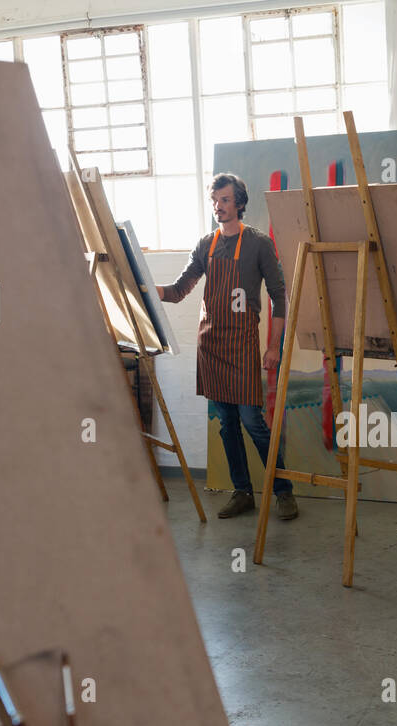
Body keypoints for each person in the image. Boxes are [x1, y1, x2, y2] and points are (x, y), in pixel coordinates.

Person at [158, 173, 298, 521]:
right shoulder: (205, 244)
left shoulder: (259, 243)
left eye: (224, 200)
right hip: (211, 346)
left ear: (238, 203)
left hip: (242, 345)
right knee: (227, 424)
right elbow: (178, 290)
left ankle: (283, 491)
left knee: (253, 422)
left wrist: (274, 347)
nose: (218, 206)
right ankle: (243, 492)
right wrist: (145, 287)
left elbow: (279, 296)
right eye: (214, 200)